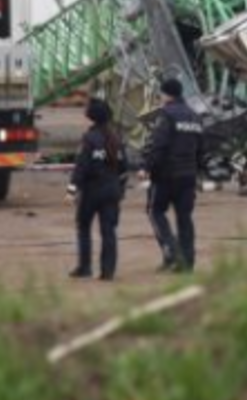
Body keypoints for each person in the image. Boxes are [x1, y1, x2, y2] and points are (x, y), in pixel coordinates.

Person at [142, 77, 204, 273]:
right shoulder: (195, 116)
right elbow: (202, 148)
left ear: (166, 94)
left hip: (166, 175)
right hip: (188, 175)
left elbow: (159, 145)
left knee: (155, 212)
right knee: (184, 217)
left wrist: (147, 167)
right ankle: (187, 263)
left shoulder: (166, 115)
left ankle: (172, 251)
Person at [67, 98, 128, 281]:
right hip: (112, 191)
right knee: (108, 230)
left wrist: (71, 190)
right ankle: (108, 271)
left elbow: (81, 167)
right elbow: (124, 168)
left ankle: (85, 267)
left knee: (84, 227)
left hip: (92, 192)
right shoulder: (117, 138)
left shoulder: (89, 138)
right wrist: (121, 191)